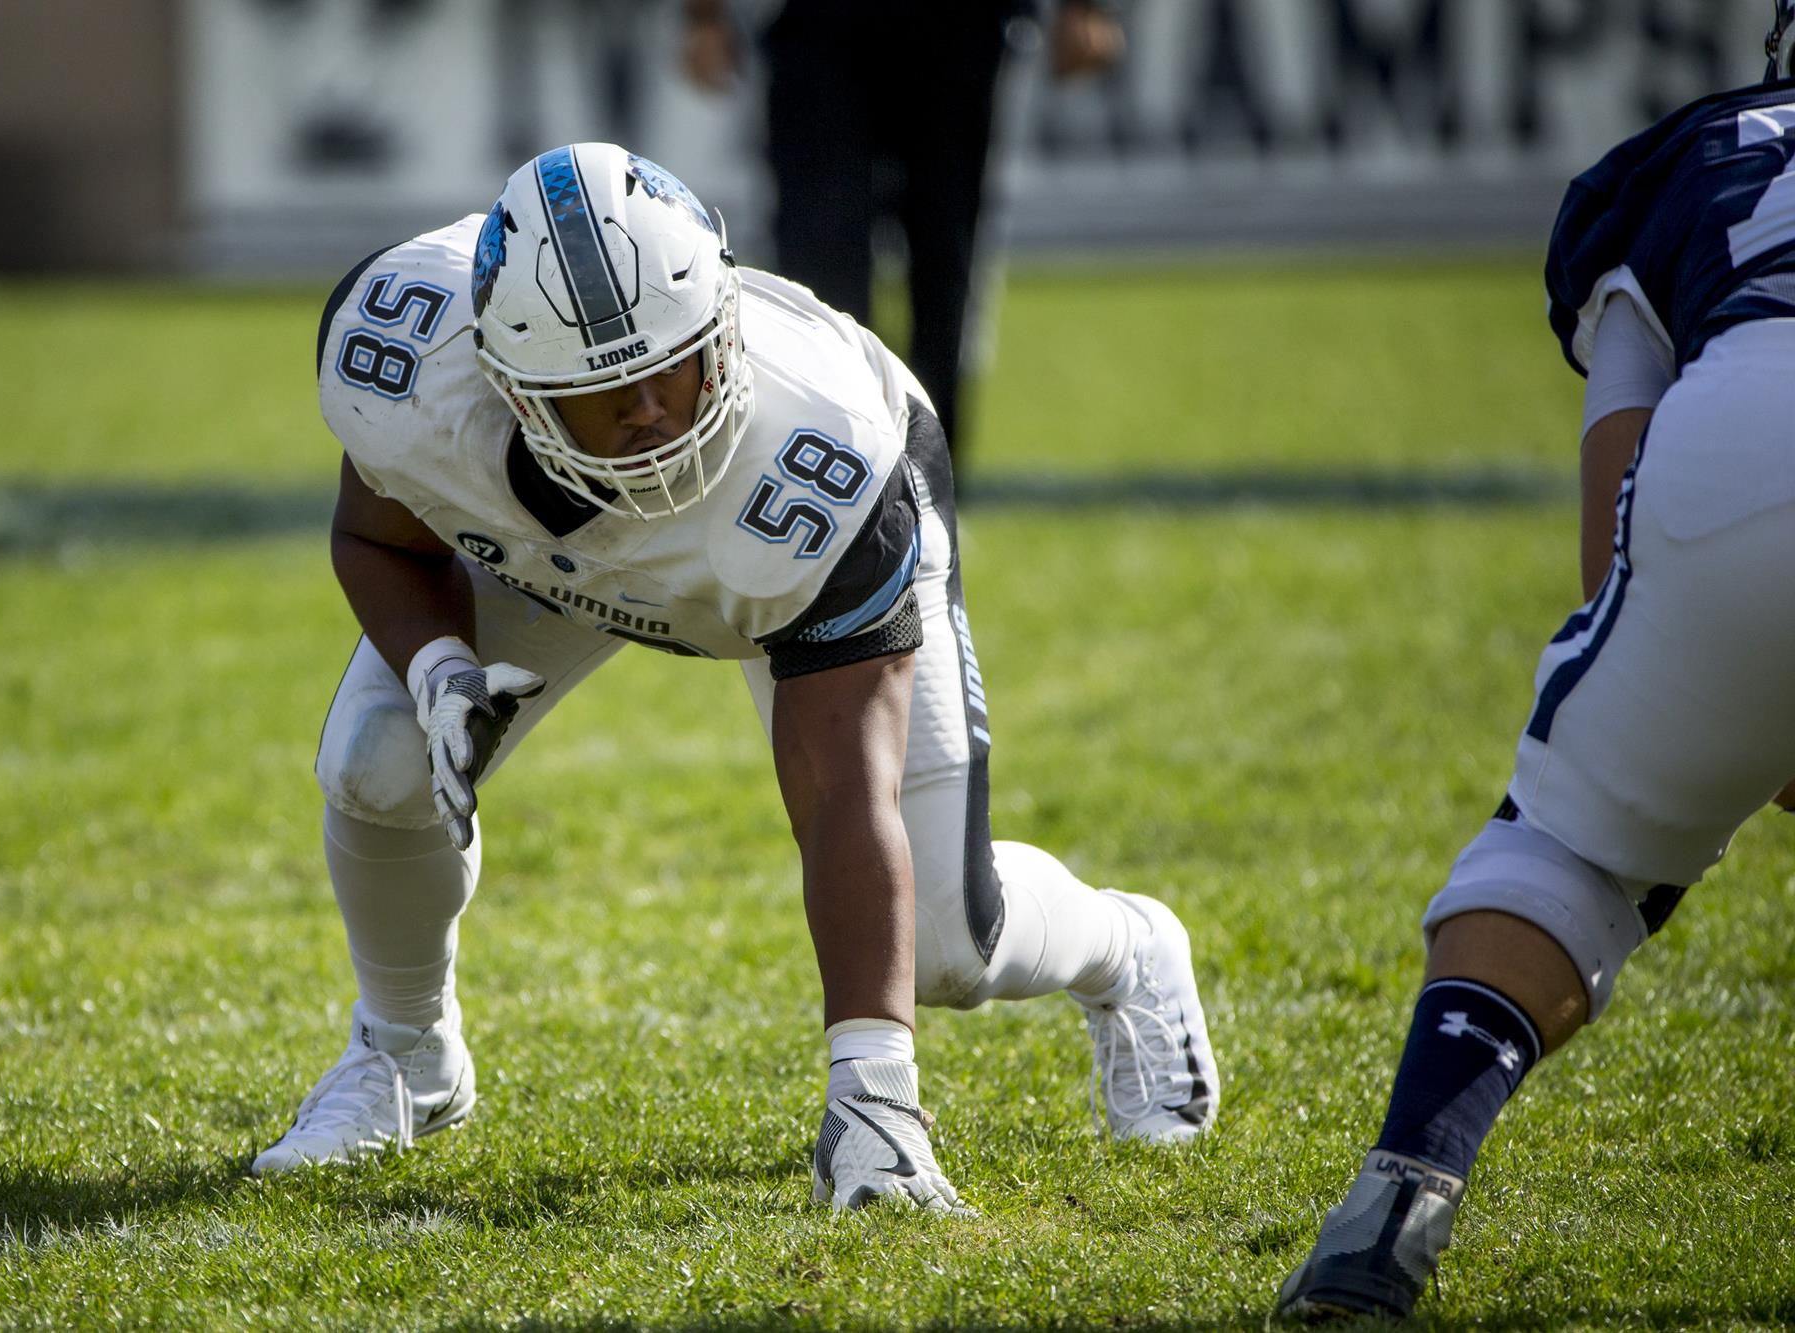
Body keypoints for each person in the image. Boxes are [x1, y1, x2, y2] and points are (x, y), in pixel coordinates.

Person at [250, 142, 1219, 1209]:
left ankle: (1126, 949)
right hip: (544, 547)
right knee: (380, 759)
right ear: (511, 386)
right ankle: (405, 1057)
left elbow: (843, 793)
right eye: (601, 393)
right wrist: (437, 669)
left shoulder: (823, 459)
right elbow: (381, 536)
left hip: (771, 551)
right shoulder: (408, 355)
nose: (649, 413)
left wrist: (873, 1091)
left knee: (948, 946)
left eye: (670, 365)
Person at [1278, 4, 1795, 1318]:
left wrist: (1718, 694)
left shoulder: (1698, 155)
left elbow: (1615, 517)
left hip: (1749, 451)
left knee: (1570, 849)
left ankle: (1401, 1194)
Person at [680, 0, 1123, 477]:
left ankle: (934, 491)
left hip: (960, 26)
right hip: (818, 27)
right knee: (821, 282)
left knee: (947, 273)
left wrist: (1084, 7)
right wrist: (705, 16)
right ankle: (833, 477)